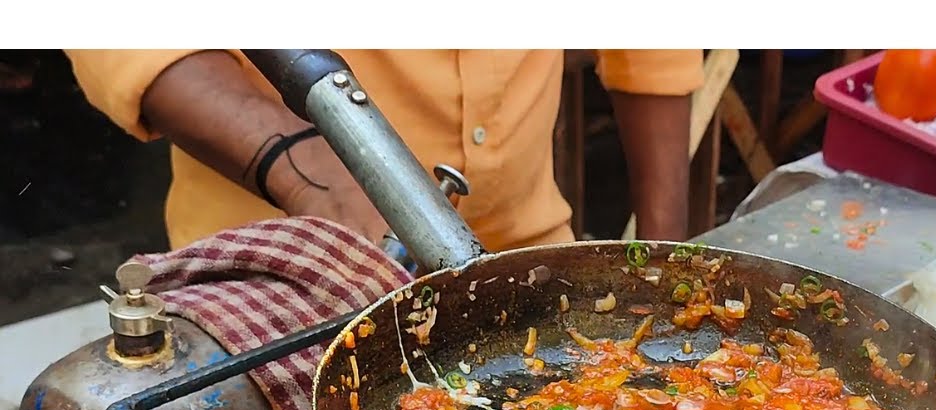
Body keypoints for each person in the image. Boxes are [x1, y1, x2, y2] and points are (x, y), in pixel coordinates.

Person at [63, 50, 704, 253]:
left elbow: (652, 47)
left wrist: (665, 258)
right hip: (285, 286)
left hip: (531, 254)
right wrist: (314, 176)